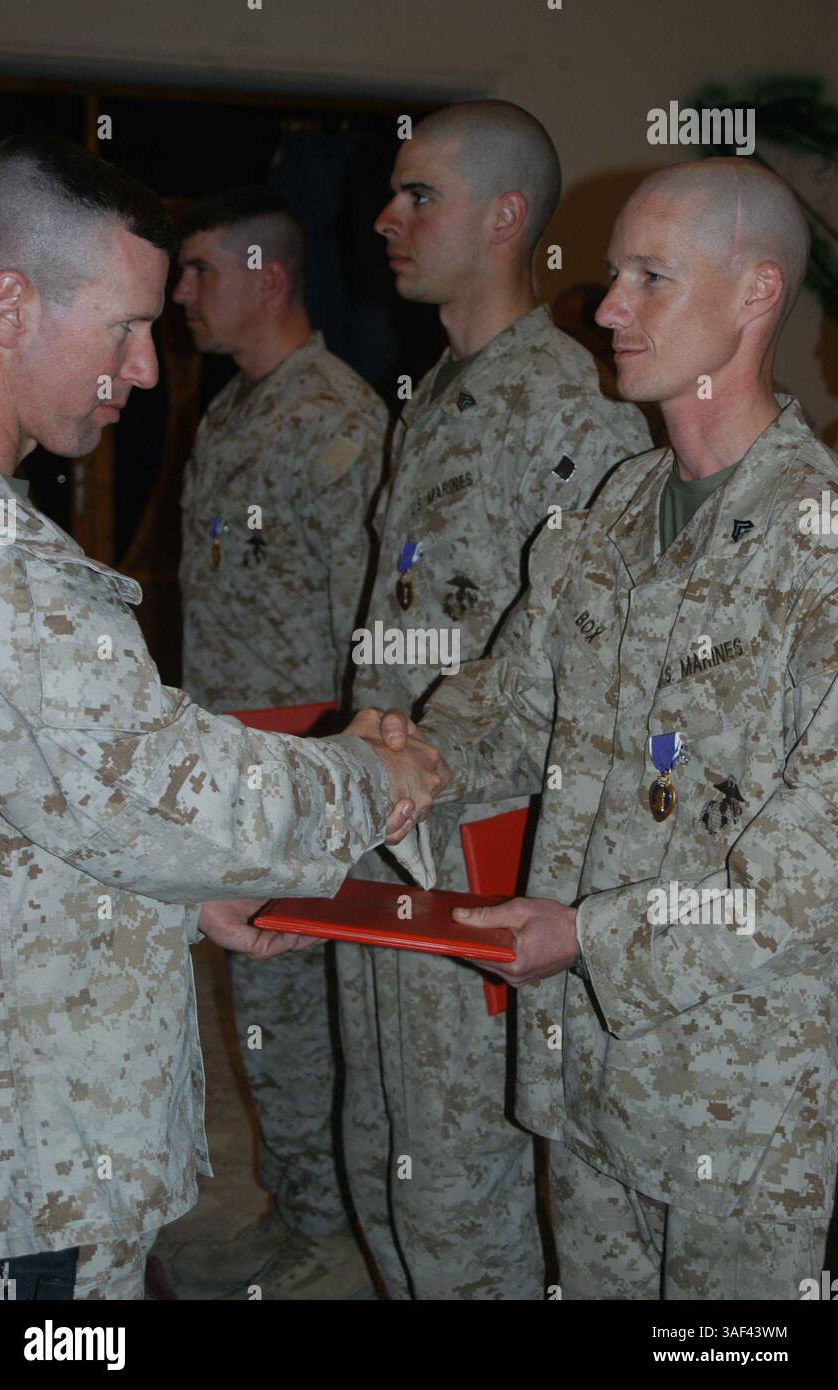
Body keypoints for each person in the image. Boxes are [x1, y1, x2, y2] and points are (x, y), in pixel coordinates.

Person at [0, 134, 442, 1301]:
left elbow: (26, 827)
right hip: (27, 1181)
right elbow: (159, 789)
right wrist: (369, 777)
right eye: (124, 326)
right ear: (10, 304)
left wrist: (177, 892)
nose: (142, 366)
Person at [383, 156, 837, 1300]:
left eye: (649, 276)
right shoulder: (609, 519)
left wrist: (586, 936)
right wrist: (387, 760)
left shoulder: (818, 550)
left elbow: (804, 874)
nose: (609, 307)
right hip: (581, 1068)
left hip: (738, 1102)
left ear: (755, 295)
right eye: (611, 275)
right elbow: (509, 706)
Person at [338, 99, 651, 1300]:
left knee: (465, 1168)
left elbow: (572, 666)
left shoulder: (570, 405)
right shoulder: (441, 394)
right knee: (385, 1134)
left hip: (481, 843)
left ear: (507, 215)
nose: (386, 216)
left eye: (421, 194)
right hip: (389, 819)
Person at [174, 188, 389, 1296]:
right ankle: (299, 1207)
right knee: (263, 1014)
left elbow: (371, 625)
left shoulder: (339, 419)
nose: (181, 294)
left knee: (307, 1019)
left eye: (201, 268)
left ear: (267, 275)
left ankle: (336, 1237)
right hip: (236, 764)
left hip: (304, 771)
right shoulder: (230, 412)